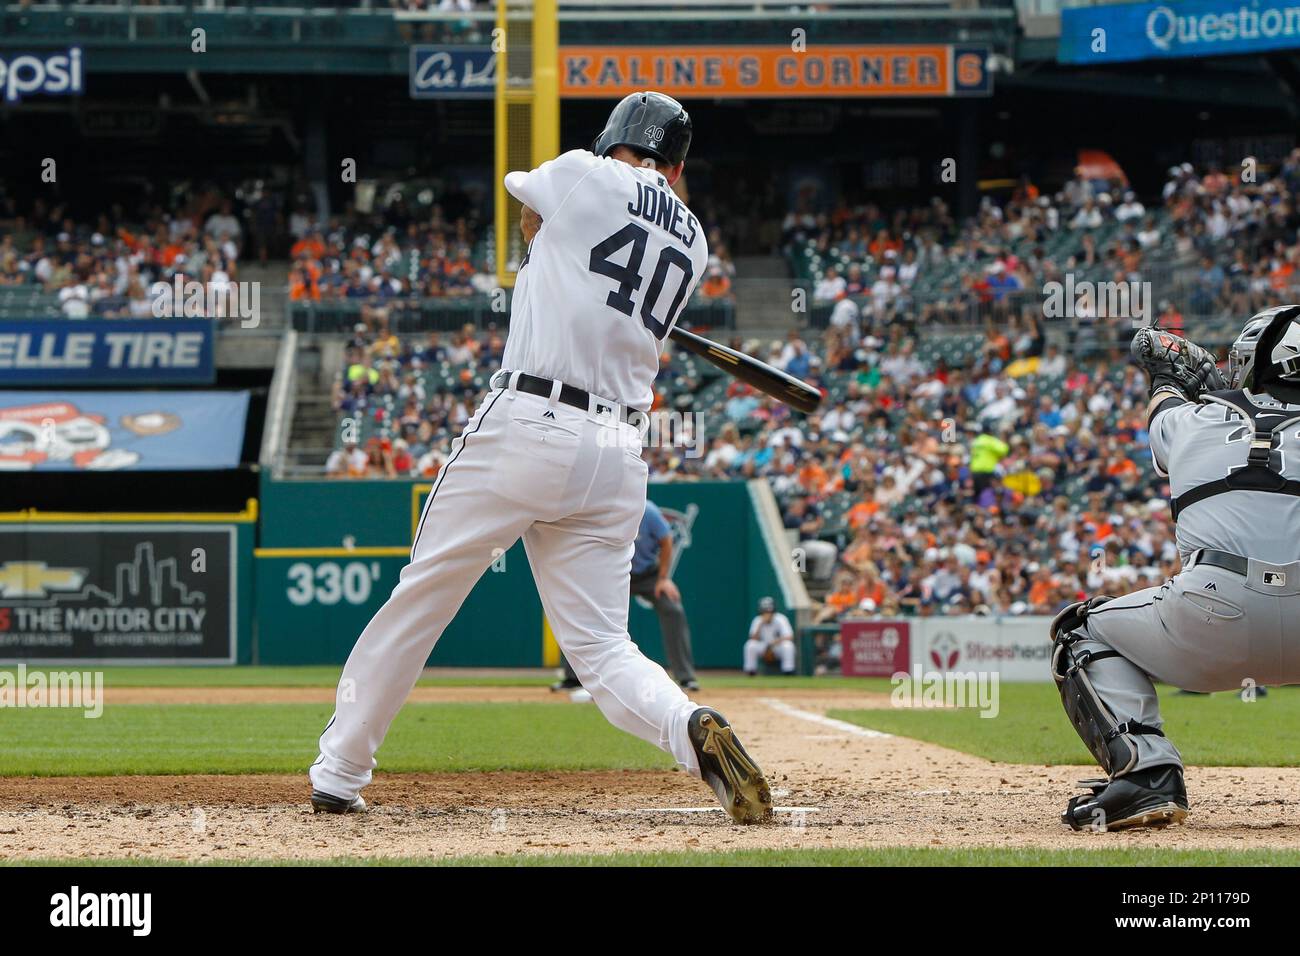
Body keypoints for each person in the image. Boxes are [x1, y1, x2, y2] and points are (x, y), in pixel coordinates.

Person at [308, 91, 772, 825]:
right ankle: (690, 729)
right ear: (677, 168)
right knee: (604, 649)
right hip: (619, 452)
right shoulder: (695, 239)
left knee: (422, 598)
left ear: (615, 137)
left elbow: (525, 208)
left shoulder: (585, 172)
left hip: (529, 420)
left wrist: (543, 248)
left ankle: (339, 771)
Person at [1052, 309, 1300, 832]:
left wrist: (1171, 383)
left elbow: (1164, 411)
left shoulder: (1192, 420)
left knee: (1079, 631)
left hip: (1214, 611)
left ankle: (1147, 775)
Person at [553, 498, 699, 693]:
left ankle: (686, 677)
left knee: (672, 610)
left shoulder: (648, 512)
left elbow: (666, 541)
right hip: (613, 574)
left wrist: (663, 578)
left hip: (647, 574)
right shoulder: (603, 510)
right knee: (583, 613)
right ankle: (573, 677)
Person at [743, 596, 796, 676]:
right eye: (765, 611)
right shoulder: (758, 620)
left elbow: (789, 636)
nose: (767, 614)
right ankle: (751, 672)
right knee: (750, 645)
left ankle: (788, 672)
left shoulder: (781, 619)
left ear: (773, 611)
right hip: (763, 646)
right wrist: (761, 624)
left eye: (769, 611)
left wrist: (776, 642)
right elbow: (753, 638)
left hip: (777, 646)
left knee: (788, 646)